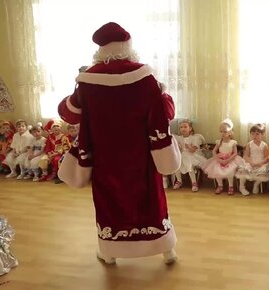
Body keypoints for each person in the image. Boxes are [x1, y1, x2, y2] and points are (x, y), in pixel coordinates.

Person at [57, 22, 181, 265]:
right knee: (150, 201)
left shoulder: (87, 81)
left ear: (100, 50)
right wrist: (164, 93)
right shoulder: (145, 76)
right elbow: (164, 112)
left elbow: (69, 113)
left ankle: (109, 252)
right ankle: (167, 250)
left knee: (110, 203)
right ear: (128, 47)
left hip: (106, 159)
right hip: (142, 156)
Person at [202, 118, 243, 195]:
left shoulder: (233, 142)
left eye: (225, 131)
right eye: (221, 131)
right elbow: (214, 151)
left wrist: (228, 160)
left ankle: (231, 186)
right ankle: (220, 185)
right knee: (217, 171)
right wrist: (217, 159)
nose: (222, 133)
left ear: (230, 132)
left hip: (230, 159)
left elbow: (235, 153)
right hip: (219, 159)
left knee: (230, 172)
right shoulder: (218, 142)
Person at [236, 123, 269, 196]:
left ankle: (256, 185)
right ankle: (242, 187)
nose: (254, 136)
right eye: (252, 134)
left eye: (257, 134)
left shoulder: (264, 145)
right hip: (251, 162)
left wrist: (261, 163)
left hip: (261, 163)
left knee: (262, 174)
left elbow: (267, 157)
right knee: (243, 171)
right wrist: (251, 162)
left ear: (262, 135)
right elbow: (246, 156)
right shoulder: (249, 144)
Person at [173, 119, 207, 192]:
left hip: (192, 155)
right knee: (176, 164)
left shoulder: (194, 137)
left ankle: (194, 182)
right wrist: (179, 147)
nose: (183, 129)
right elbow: (179, 149)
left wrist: (188, 147)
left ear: (190, 128)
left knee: (189, 164)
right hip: (182, 155)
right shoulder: (179, 138)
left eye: (185, 127)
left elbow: (193, 150)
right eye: (181, 127)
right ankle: (179, 180)